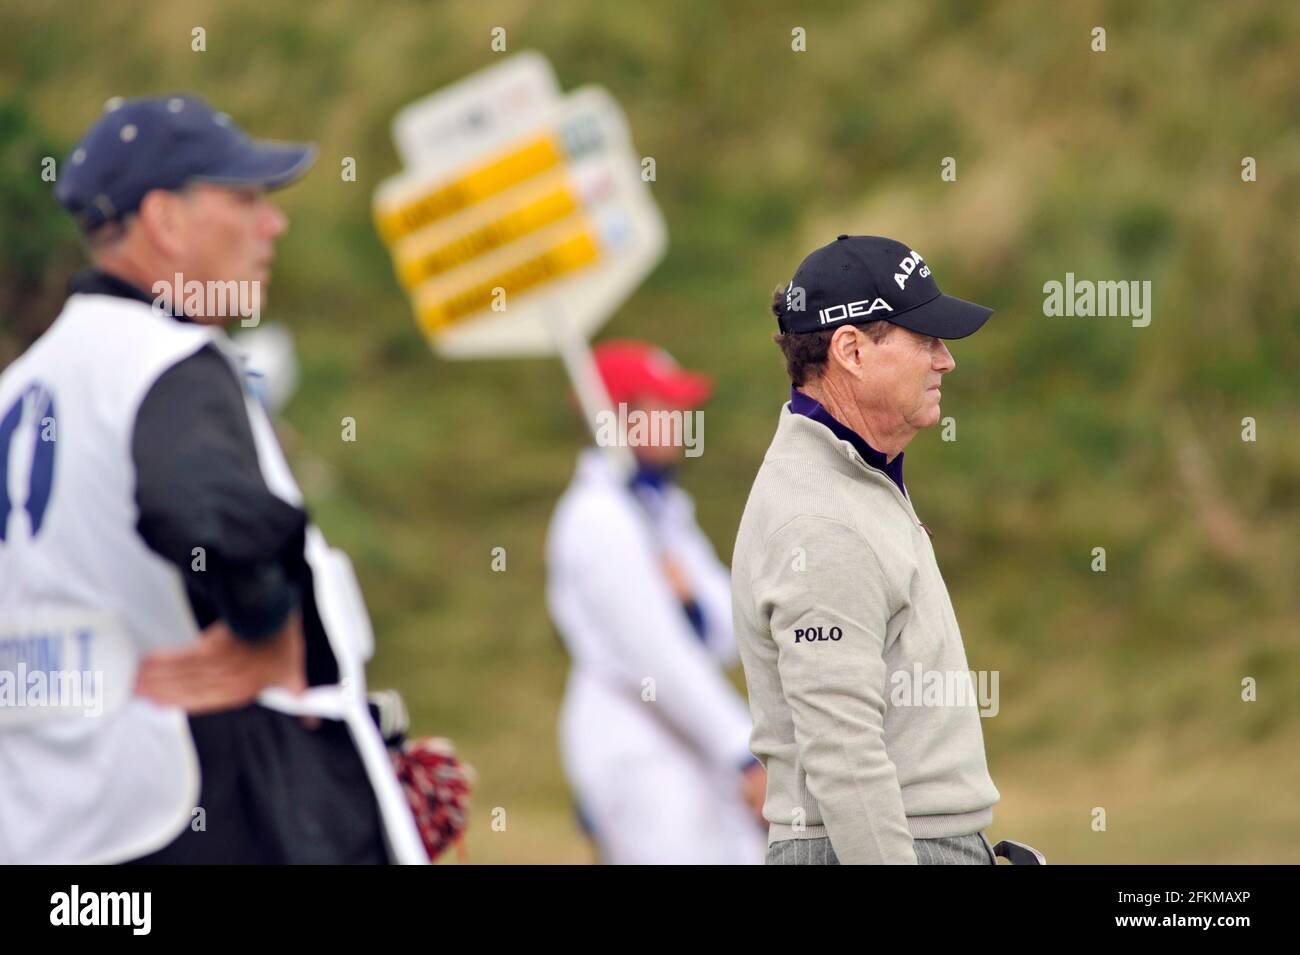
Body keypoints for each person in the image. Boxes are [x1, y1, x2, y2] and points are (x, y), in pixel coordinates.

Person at [0, 94, 425, 863]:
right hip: (200, 797)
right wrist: (268, 629)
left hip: (57, 825)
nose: (274, 224)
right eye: (247, 199)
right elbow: (200, 506)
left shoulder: (24, 383)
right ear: (166, 218)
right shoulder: (161, 356)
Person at [731, 234, 1001, 864]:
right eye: (925, 340)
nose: (945, 361)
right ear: (850, 349)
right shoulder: (821, 519)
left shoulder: (847, 480)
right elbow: (844, 753)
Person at [545, 341, 765, 864]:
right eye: (662, 407)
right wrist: (744, 753)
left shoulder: (662, 511)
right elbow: (657, 658)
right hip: (635, 748)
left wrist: (690, 601)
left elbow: (730, 632)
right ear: (618, 417)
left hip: (685, 742)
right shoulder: (596, 519)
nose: (681, 419)